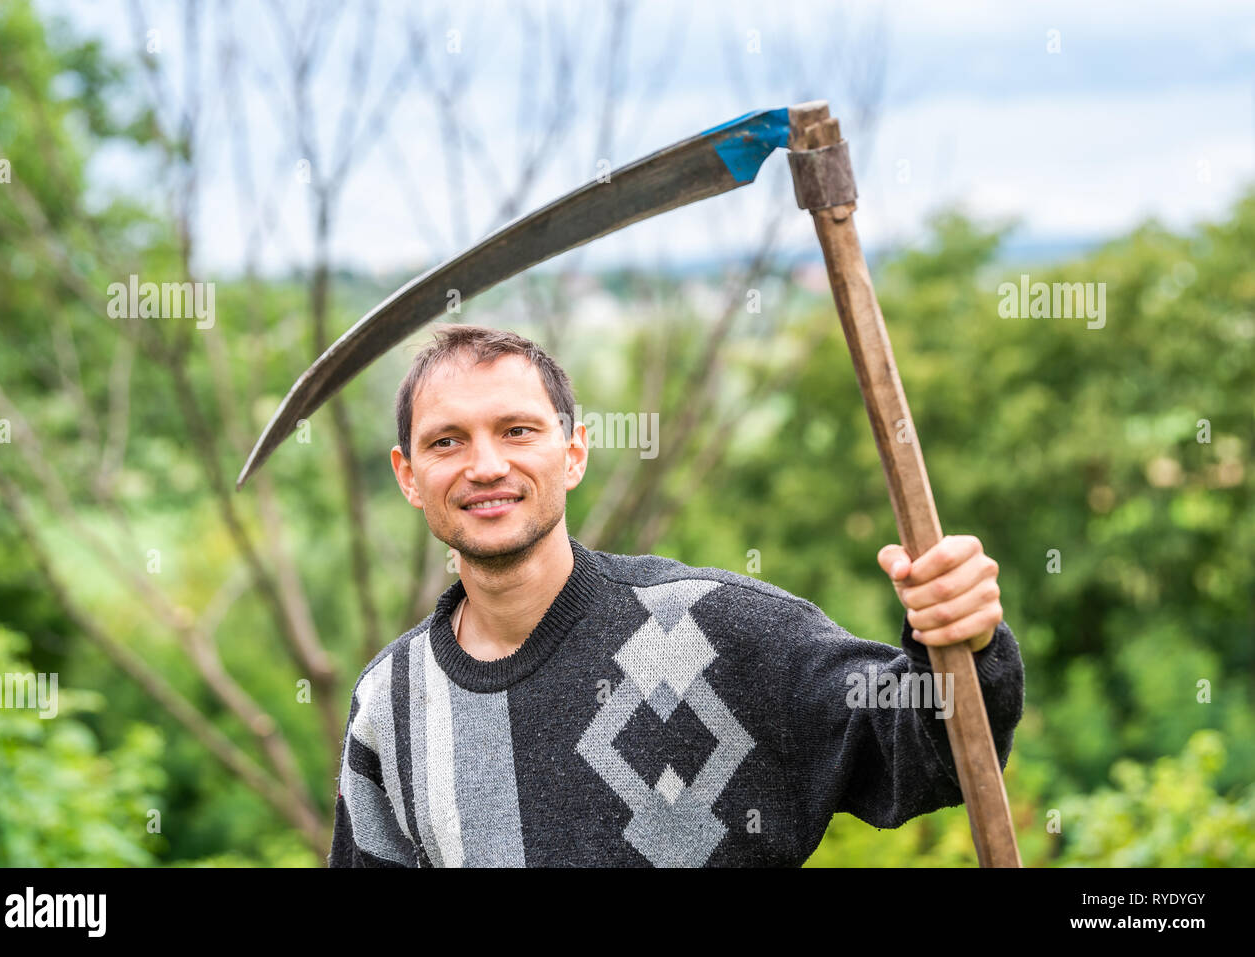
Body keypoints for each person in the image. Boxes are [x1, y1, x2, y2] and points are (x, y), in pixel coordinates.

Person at [329, 324, 1023, 867]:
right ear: (408, 475)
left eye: (517, 430)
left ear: (572, 453)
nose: (485, 465)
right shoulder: (391, 703)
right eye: (447, 441)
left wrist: (963, 642)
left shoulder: (718, 630)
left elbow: (928, 753)